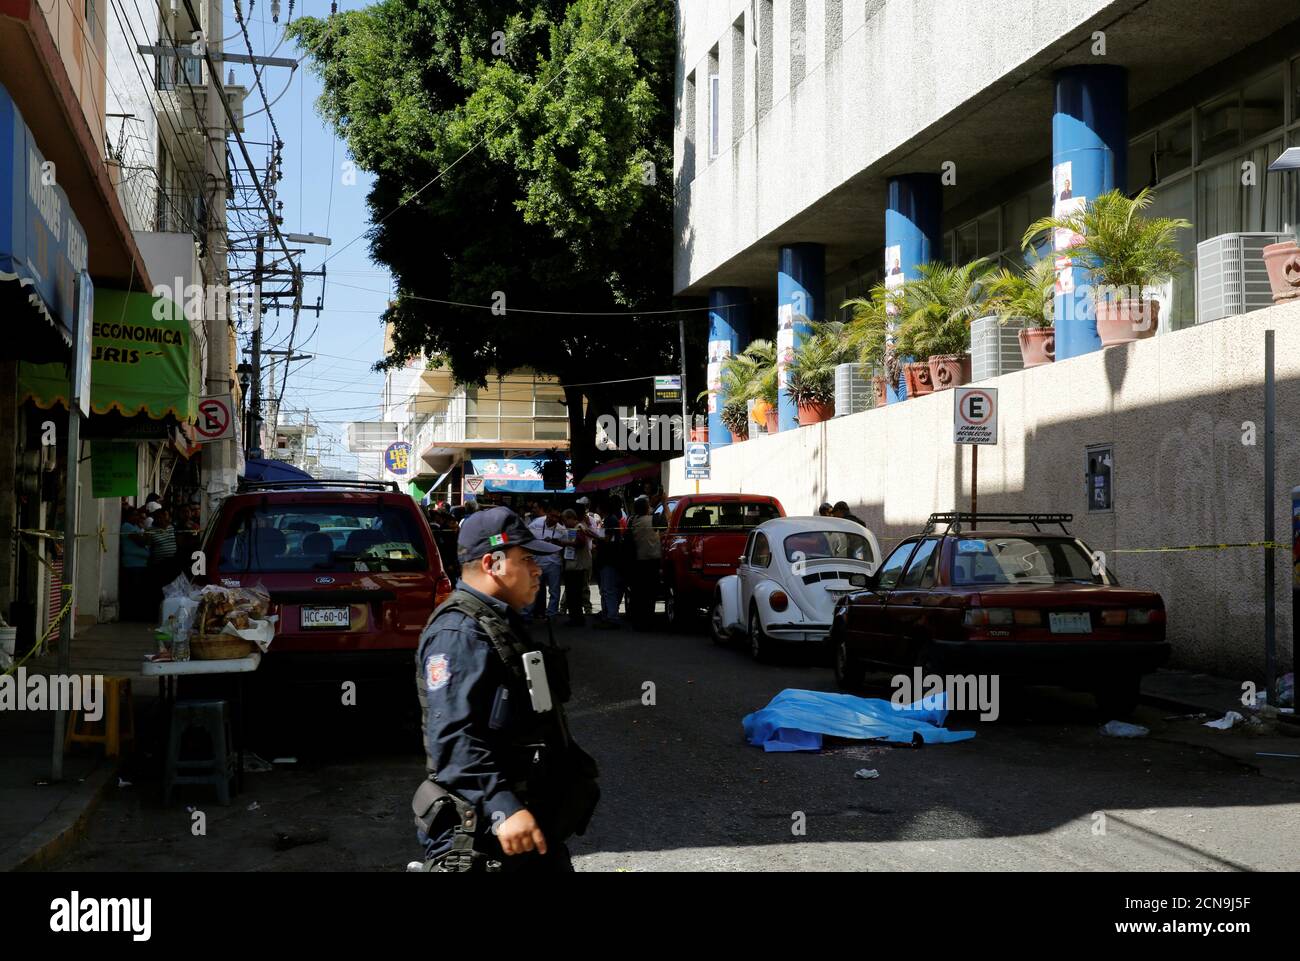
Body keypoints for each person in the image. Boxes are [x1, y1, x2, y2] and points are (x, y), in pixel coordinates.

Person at [412, 507, 600, 872]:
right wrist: (502, 806)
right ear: (491, 563)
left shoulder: (500, 620)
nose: (537, 569)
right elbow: (453, 738)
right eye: (526, 559)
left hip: (522, 823)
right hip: (483, 832)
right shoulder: (458, 634)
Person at [593, 495, 627, 629]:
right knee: (606, 589)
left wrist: (592, 534)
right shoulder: (608, 520)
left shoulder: (610, 520)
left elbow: (607, 539)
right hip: (606, 559)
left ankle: (612, 616)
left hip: (609, 559)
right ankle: (608, 615)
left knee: (608, 589)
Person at [526, 506, 566, 619]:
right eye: (553, 516)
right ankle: (527, 614)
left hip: (554, 564)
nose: (555, 519)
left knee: (554, 591)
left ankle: (551, 615)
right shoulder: (535, 524)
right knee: (533, 589)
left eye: (557, 517)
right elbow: (526, 539)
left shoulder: (561, 529)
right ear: (547, 514)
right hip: (537, 562)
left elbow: (566, 546)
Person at [628, 496, 662, 629]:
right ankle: (648, 619)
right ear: (647, 508)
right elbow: (668, 521)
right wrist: (664, 503)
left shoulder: (633, 521)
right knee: (650, 592)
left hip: (638, 561)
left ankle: (638, 620)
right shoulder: (653, 519)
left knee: (639, 592)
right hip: (652, 561)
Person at [119, 507, 151, 621]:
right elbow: (142, 541)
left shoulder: (136, 527)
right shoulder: (127, 526)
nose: (137, 517)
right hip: (132, 564)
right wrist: (146, 532)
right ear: (128, 516)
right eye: (134, 515)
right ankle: (131, 615)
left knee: (138, 591)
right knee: (133, 591)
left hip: (141, 564)